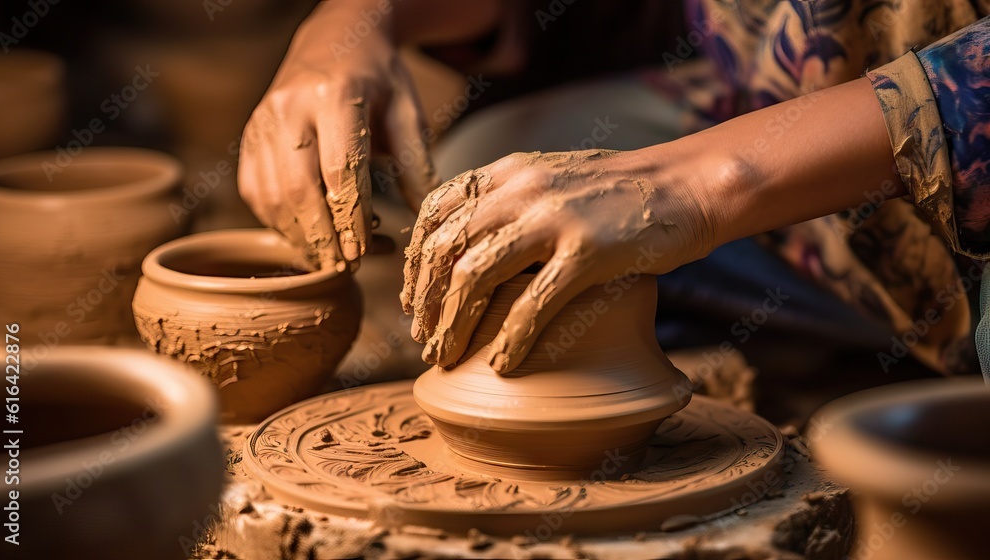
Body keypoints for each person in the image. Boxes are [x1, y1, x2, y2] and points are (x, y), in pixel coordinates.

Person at [238, 1, 989, 385]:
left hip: (951, 167)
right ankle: (807, 336)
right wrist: (352, 22)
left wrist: (699, 185)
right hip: (775, 101)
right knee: (491, 193)